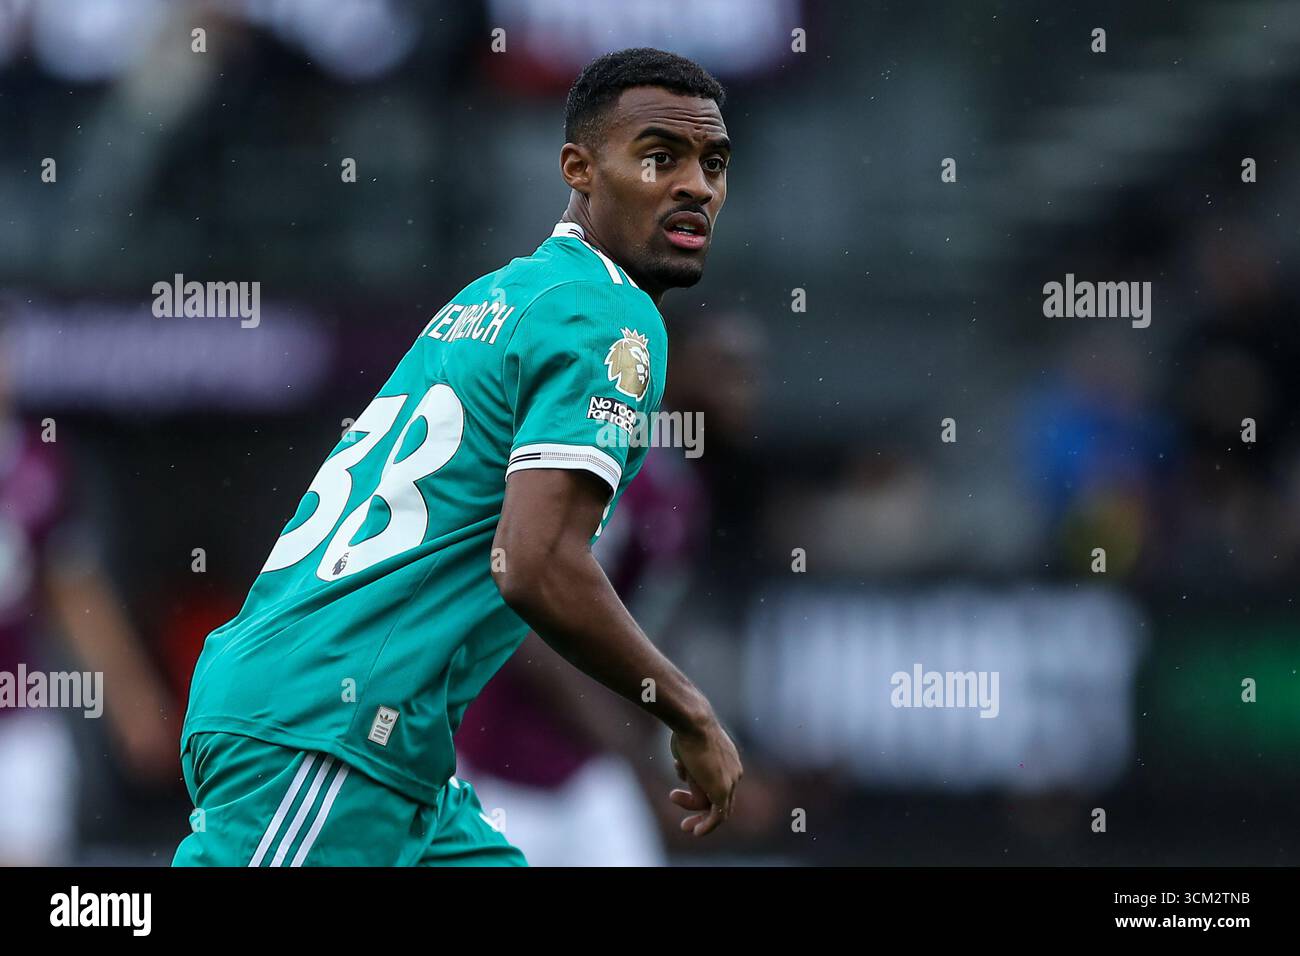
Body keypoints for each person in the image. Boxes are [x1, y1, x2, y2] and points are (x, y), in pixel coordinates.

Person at [174, 47, 742, 867]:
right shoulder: (609, 317)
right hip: (326, 730)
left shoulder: (492, 296)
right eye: (661, 157)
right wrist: (687, 711)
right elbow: (535, 561)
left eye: (713, 163)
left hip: (387, 748)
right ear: (578, 169)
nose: (696, 185)